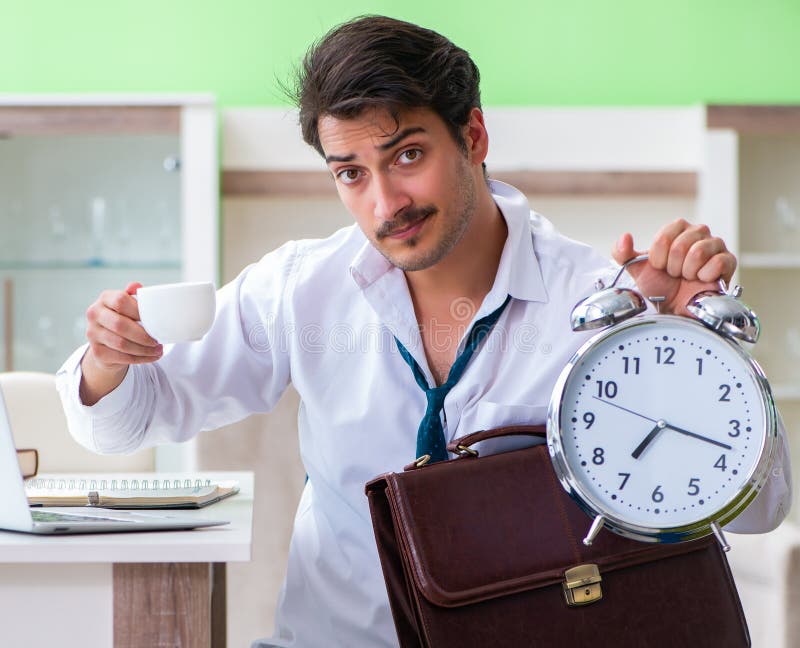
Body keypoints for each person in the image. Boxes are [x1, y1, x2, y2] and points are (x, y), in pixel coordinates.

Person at [56, 15, 791, 648]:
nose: (385, 203)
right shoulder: (298, 288)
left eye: (408, 155)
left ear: (472, 135)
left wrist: (698, 345)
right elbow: (125, 422)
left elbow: (762, 508)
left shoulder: (603, 304)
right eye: (351, 173)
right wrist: (108, 357)